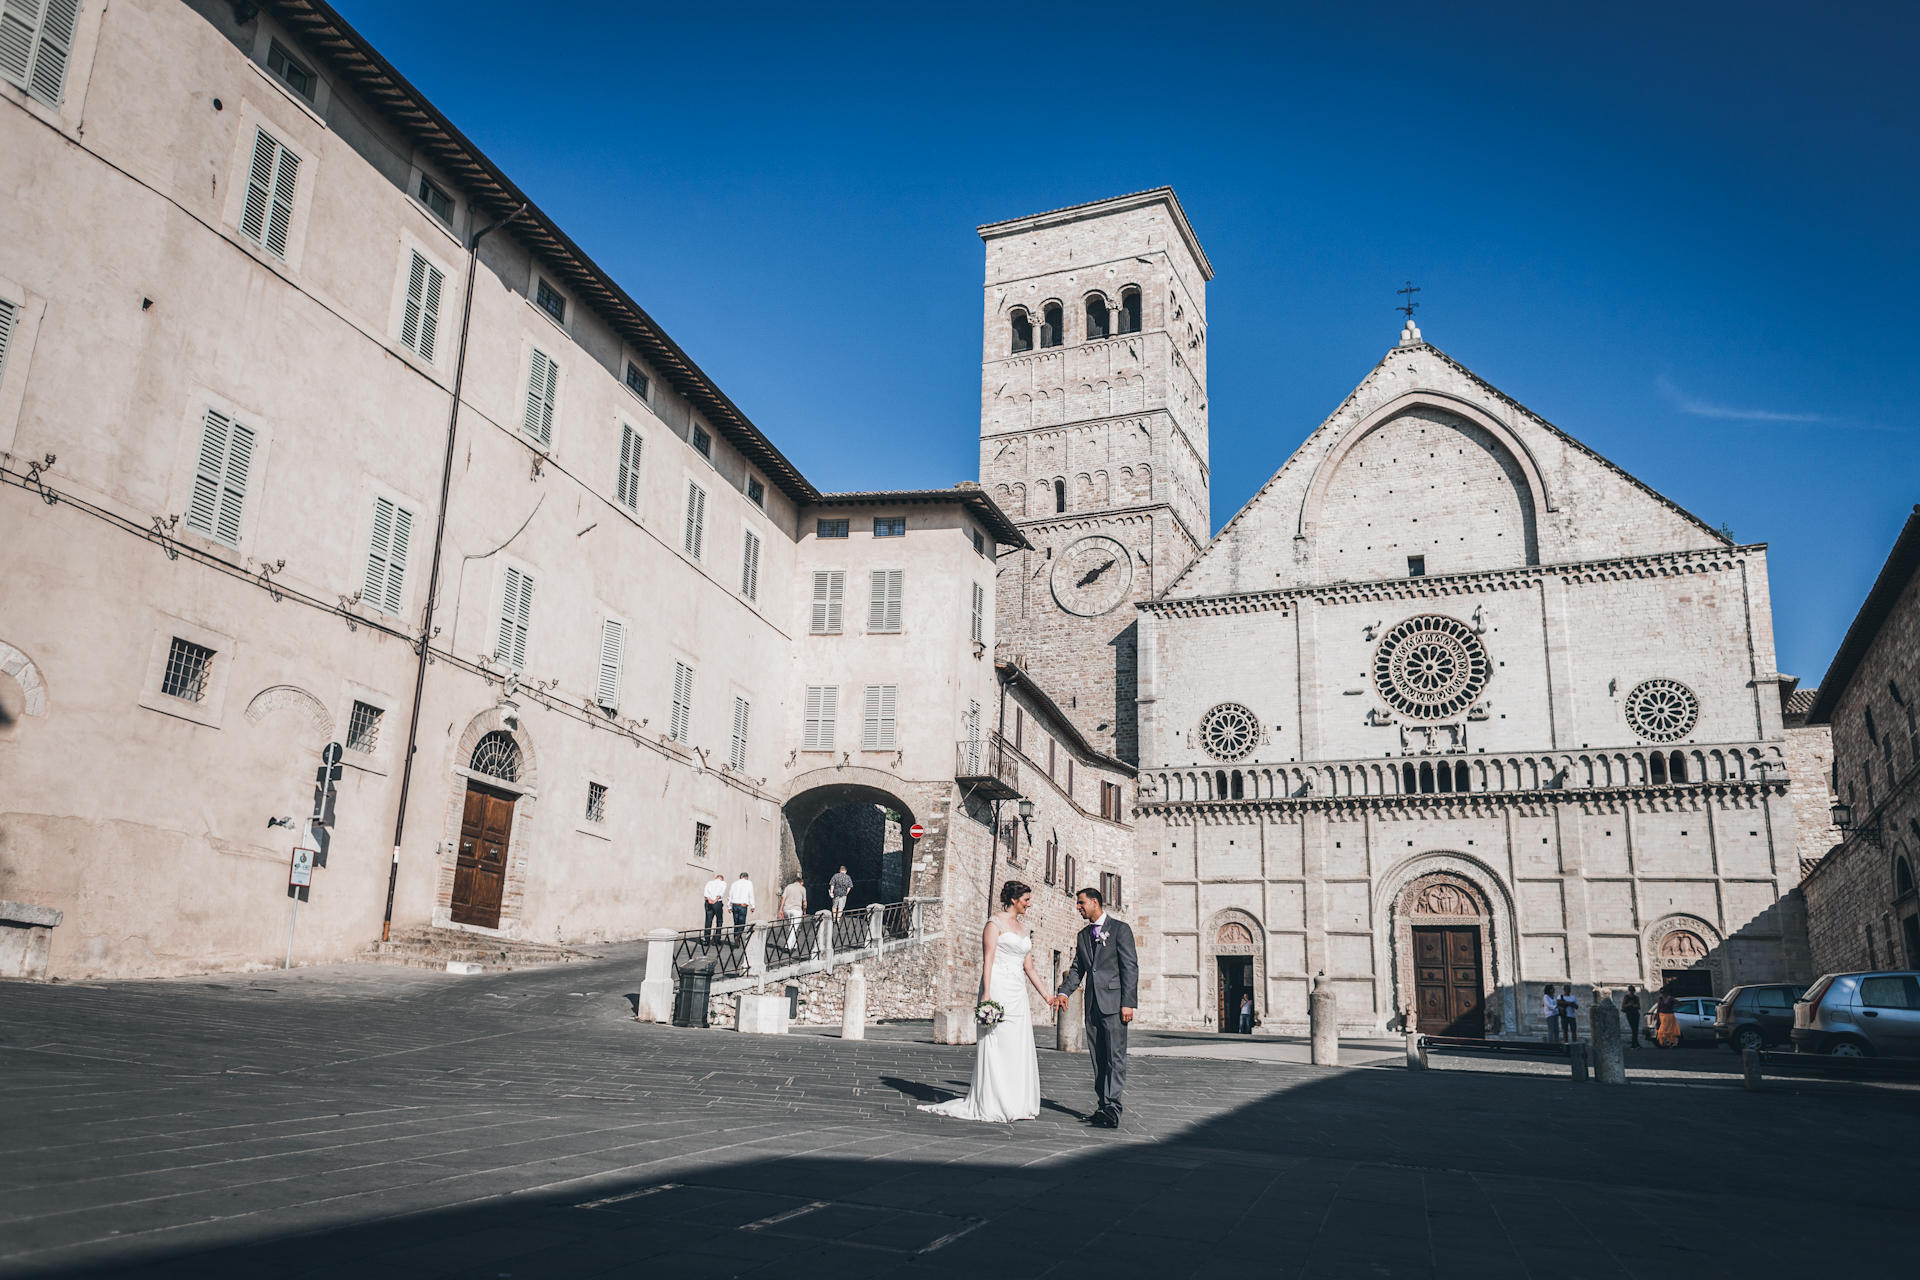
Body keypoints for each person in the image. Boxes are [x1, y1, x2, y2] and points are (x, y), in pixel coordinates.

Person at [919, 881, 1050, 1123]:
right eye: (1026, 900)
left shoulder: (1022, 929)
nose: (1029, 904)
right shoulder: (994, 923)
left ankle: (1016, 1101)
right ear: (1013, 899)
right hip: (998, 986)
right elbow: (988, 959)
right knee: (997, 1043)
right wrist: (987, 993)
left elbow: (1029, 967)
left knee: (1016, 1044)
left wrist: (1047, 996)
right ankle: (995, 1101)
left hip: (1018, 993)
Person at [1051, 887, 1138, 1129]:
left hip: (1115, 1005)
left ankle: (1113, 1107)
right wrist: (1063, 991)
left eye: (1081, 903)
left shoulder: (1121, 930)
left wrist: (1128, 1003)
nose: (1077, 907)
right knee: (1098, 1058)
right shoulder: (1082, 936)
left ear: (1095, 902)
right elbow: (1078, 968)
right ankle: (1102, 1105)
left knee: (1115, 1057)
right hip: (1093, 1007)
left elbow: (1130, 968)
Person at [779, 876, 807, 947]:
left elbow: (783, 898)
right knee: (793, 928)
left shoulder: (788, 887)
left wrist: (780, 910)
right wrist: (804, 911)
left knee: (791, 927)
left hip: (786, 909)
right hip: (796, 910)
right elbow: (804, 903)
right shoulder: (802, 888)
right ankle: (788, 945)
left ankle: (794, 945)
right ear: (801, 882)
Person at [702, 871, 728, 944]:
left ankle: (706, 940)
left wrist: (710, 900)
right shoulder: (723, 883)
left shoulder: (709, 882)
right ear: (722, 879)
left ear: (716, 878)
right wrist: (715, 900)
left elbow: (706, 893)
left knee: (708, 921)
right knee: (719, 921)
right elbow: (721, 893)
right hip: (717, 903)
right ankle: (717, 939)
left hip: (708, 903)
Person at [727, 871, 755, 940]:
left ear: (740, 877)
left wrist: (729, 906)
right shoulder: (749, 883)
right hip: (743, 905)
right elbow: (751, 894)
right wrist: (752, 906)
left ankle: (736, 937)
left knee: (736, 923)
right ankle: (738, 936)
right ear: (747, 877)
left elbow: (730, 895)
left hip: (735, 905)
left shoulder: (734, 883)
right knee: (742, 923)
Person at [1620, 984, 1643, 1048]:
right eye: (1631, 990)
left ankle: (1635, 1042)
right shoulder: (1626, 997)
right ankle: (1634, 1043)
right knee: (1633, 1028)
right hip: (1629, 1014)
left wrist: (1634, 1005)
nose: (1632, 992)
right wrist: (1629, 1004)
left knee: (1636, 1028)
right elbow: (1623, 1006)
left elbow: (1639, 1006)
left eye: (1633, 990)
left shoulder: (1636, 998)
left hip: (1635, 1014)